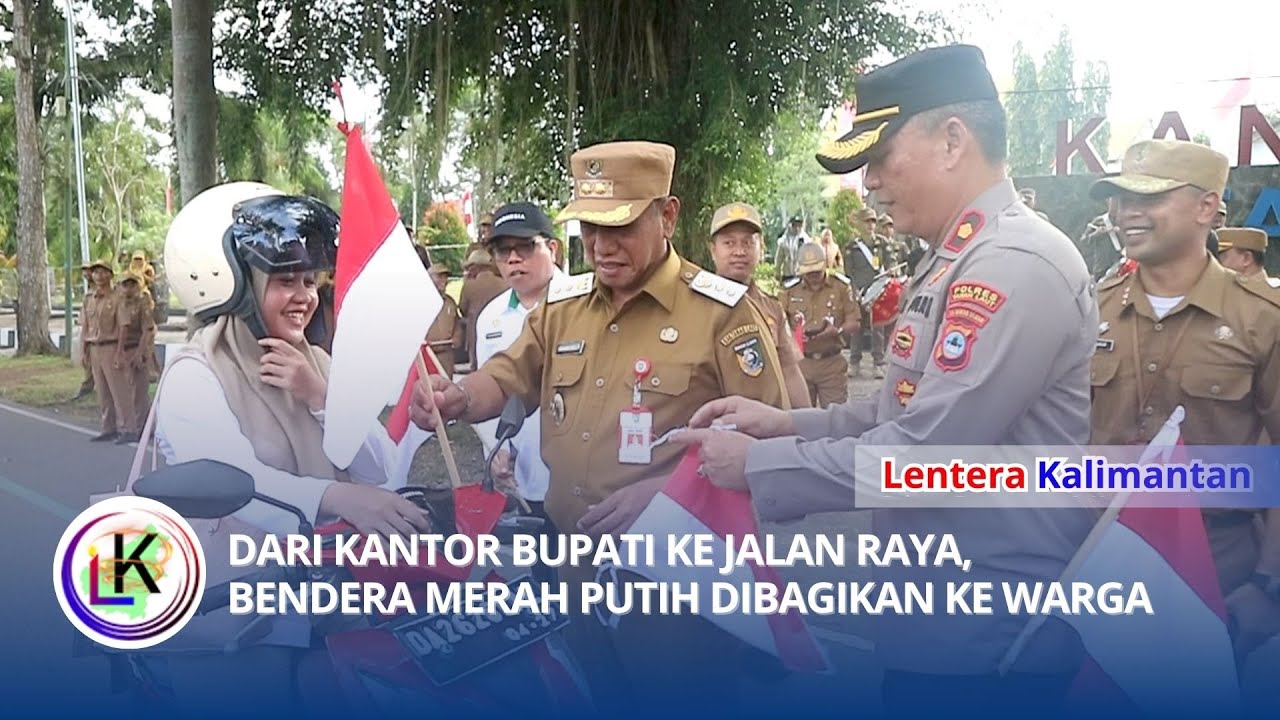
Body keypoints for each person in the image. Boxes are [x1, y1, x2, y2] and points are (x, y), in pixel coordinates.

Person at [673, 44, 1099, 712]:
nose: (868, 182)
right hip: (939, 617)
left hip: (989, 639)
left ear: (953, 140)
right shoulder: (955, 259)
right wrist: (788, 421)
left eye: (879, 158)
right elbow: (901, 415)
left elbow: (926, 457)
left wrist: (760, 466)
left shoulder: (1012, 264)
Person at [409, 141, 789, 712]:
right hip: (576, 569)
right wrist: (457, 396)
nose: (601, 246)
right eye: (589, 227)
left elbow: (766, 446)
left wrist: (667, 497)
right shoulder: (563, 307)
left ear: (667, 215)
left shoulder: (723, 313)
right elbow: (508, 376)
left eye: (622, 227)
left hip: (676, 583)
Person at [135, 181, 433, 712]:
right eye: (284, 281)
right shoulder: (194, 372)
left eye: (311, 281)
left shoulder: (315, 361)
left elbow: (379, 469)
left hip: (326, 594)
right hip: (230, 611)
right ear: (234, 284)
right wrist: (336, 499)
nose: (304, 297)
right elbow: (237, 482)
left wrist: (321, 395)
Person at [1087, 140, 1280, 664]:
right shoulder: (1090, 312)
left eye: (1150, 198)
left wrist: (1268, 584)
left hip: (1214, 572)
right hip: (1098, 560)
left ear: (1205, 207)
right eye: (1122, 198)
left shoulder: (1262, 318)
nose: (1128, 212)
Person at [470, 201, 565, 526]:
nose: (512, 259)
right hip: (519, 475)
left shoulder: (586, 302)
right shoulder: (491, 317)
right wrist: (493, 449)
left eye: (524, 247)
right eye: (502, 251)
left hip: (582, 478)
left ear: (552, 248)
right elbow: (486, 385)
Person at [706, 201, 810, 408]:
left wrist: (806, 425)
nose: (739, 252)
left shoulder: (773, 308)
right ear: (713, 250)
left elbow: (790, 371)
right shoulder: (695, 303)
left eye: (747, 243)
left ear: (760, 249)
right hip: (714, 423)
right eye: (729, 243)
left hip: (765, 425)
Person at [785, 241, 860, 407]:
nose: (813, 275)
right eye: (808, 271)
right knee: (801, 419)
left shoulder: (841, 287)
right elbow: (779, 324)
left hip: (831, 364)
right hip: (800, 365)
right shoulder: (790, 290)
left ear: (825, 264)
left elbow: (854, 322)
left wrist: (838, 331)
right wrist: (792, 335)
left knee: (836, 421)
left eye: (817, 270)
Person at [80, 258, 130, 442]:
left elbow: (123, 326)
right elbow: (85, 327)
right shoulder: (89, 299)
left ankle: (127, 427)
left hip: (110, 346)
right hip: (94, 348)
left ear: (110, 274)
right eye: (95, 272)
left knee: (119, 390)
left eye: (103, 272)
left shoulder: (117, 298)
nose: (99, 276)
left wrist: (119, 351)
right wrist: (83, 350)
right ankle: (108, 427)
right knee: (102, 391)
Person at [843, 206, 886, 377]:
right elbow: (849, 272)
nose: (871, 225)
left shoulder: (882, 243)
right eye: (867, 221)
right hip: (859, 292)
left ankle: (878, 363)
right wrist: (856, 290)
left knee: (878, 329)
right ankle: (854, 362)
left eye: (873, 221)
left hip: (877, 291)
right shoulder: (851, 246)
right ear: (860, 224)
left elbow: (889, 266)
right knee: (857, 328)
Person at [114, 270, 156, 443]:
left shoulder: (142, 303)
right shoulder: (118, 304)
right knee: (124, 391)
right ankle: (127, 426)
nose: (129, 288)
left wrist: (140, 353)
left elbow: (148, 330)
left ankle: (143, 428)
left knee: (139, 392)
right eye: (125, 284)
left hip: (137, 347)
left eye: (132, 284)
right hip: (120, 350)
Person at [457, 247, 508, 367]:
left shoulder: (469, 286)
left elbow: (462, 309)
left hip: (476, 336)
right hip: (502, 331)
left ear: (476, 267)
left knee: (477, 370)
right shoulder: (505, 284)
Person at [773, 214, 810, 282]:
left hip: (801, 275)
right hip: (787, 274)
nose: (797, 228)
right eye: (795, 225)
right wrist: (777, 271)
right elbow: (779, 257)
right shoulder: (784, 241)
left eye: (799, 226)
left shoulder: (806, 240)